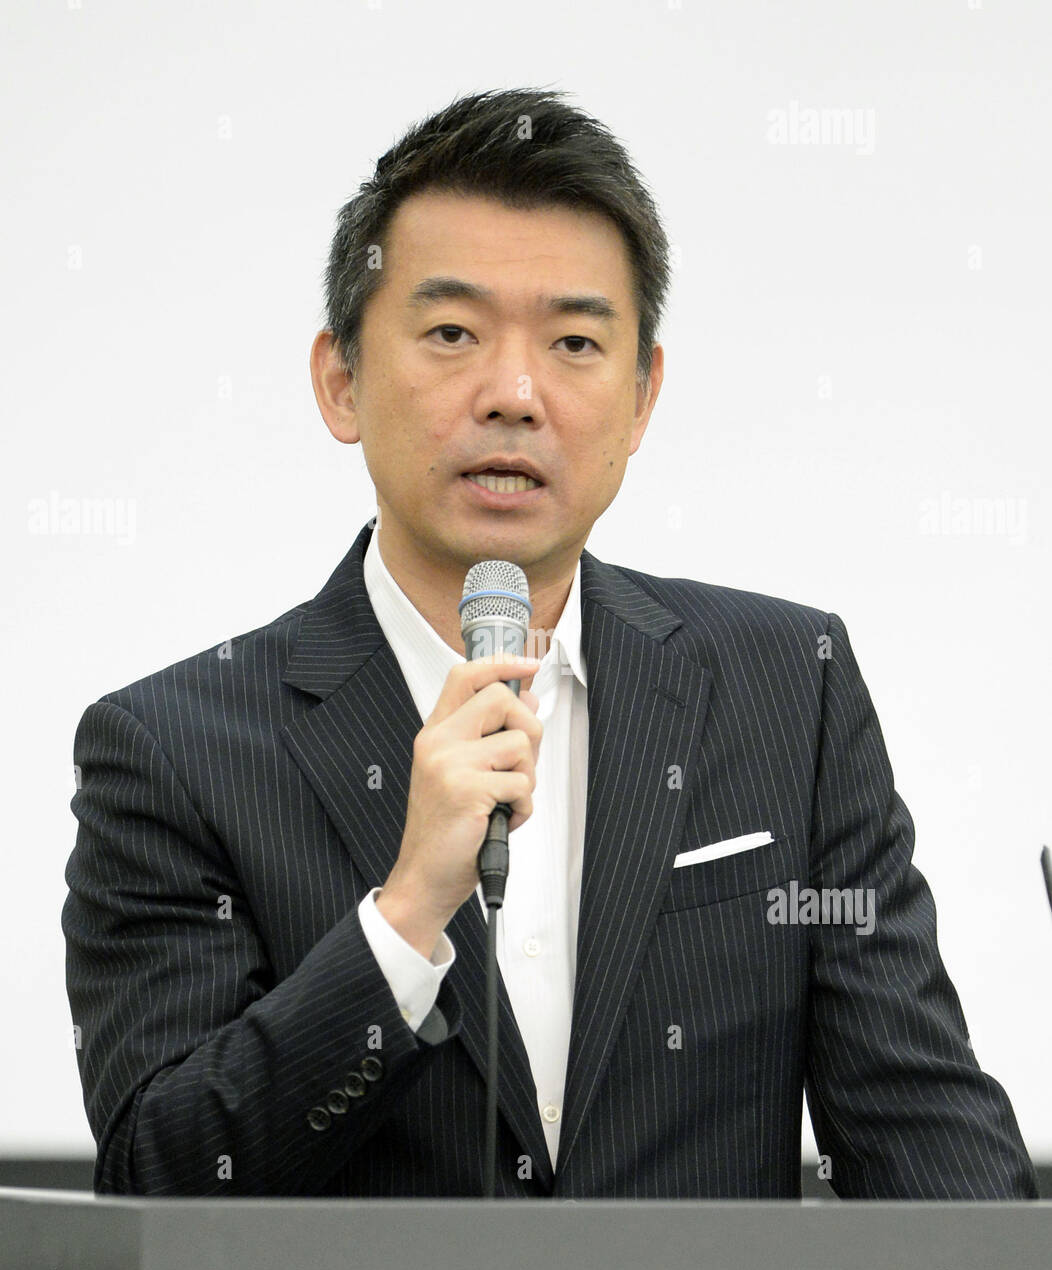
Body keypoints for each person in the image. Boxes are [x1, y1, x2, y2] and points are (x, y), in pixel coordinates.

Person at [63, 87, 1037, 1199]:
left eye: (574, 341)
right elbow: (162, 1178)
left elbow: (919, 1130)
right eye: (450, 334)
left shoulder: (786, 689)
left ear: (639, 399)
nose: (515, 394)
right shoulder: (173, 749)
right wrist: (404, 918)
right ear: (340, 380)